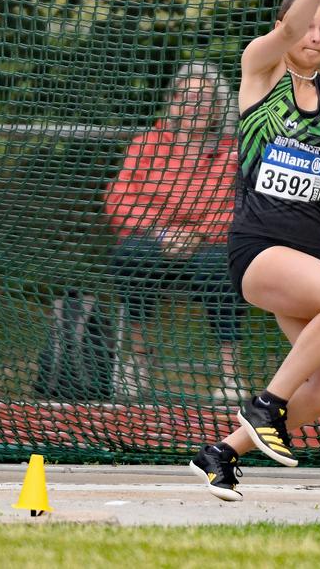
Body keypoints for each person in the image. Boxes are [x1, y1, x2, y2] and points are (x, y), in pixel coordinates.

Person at [189, 0, 320, 501]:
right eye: (309, 26)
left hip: (306, 259)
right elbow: (293, 22)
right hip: (258, 250)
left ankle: (220, 453)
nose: (316, 35)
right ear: (286, 24)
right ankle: (267, 403)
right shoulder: (259, 70)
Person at [102, 62, 245, 403]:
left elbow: (237, 210)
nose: (194, 105)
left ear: (217, 108)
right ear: (173, 101)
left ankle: (231, 374)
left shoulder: (233, 151)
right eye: (187, 95)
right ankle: (138, 360)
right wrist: (161, 231)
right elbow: (118, 198)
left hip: (210, 247)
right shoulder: (147, 143)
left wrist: (196, 234)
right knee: (130, 257)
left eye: (204, 98)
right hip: (155, 243)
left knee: (223, 270)